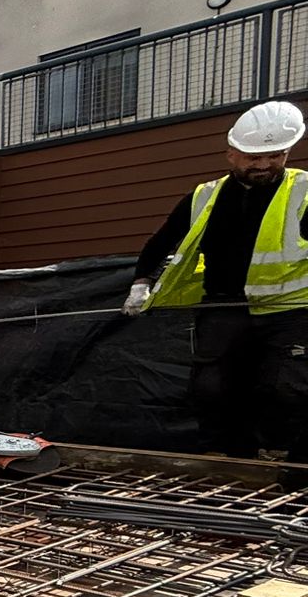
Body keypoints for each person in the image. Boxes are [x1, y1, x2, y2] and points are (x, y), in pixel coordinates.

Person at [124, 100, 308, 459]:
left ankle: (283, 457)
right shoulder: (205, 196)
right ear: (232, 154)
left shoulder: (304, 191)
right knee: (213, 387)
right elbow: (162, 241)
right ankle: (223, 457)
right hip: (224, 306)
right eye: (253, 158)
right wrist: (140, 283)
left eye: (275, 156)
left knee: (288, 387)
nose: (264, 165)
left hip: (290, 310)